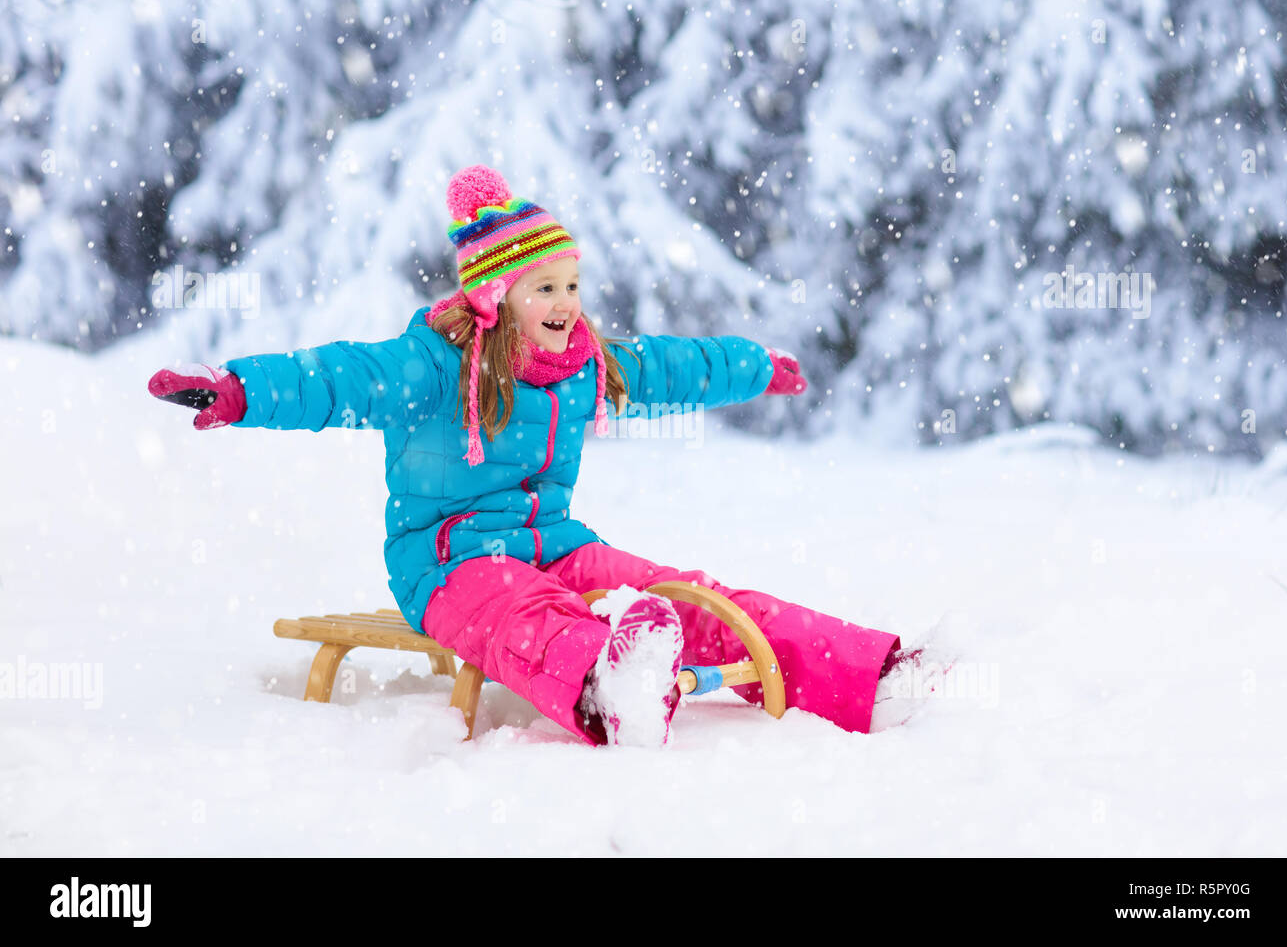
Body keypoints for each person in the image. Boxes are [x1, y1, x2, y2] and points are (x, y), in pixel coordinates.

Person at [149, 165, 906, 746]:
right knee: (520, 609)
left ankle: (862, 672)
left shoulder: (583, 364)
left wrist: (754, 365)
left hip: (554, 544)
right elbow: (342, 377)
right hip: (447, 566)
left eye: (572, 284)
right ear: (494, 299)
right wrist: (239, 391)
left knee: (682, 589)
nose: (566, 303)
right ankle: (611, 686)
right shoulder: (435, 366)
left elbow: (674, 366)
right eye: (544, 287)